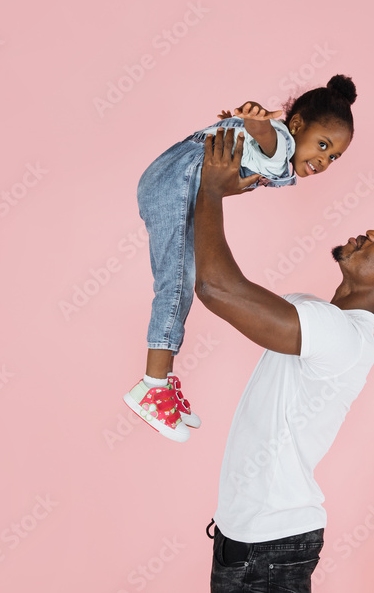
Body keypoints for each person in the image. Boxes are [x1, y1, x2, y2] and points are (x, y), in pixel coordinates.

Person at [193, 128, 374, 592]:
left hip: (269, 551)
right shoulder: (318, 318)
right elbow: (225, 285)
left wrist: (209, 191)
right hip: (249, 544)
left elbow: (217, 287)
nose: (373, 233)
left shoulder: (344, 337)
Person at [123, 75, 359, 443]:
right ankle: (152, 387)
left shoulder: (281, 149)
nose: (324, 161)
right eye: (322, 145)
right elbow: (268, 140)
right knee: (177, 283)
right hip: (174, 183)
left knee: (182, 277)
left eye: (333, 156)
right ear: (296, 126)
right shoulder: (280, 142)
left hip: (171, 179)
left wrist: (243, 127)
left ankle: (163, 383)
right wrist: (256, 122)